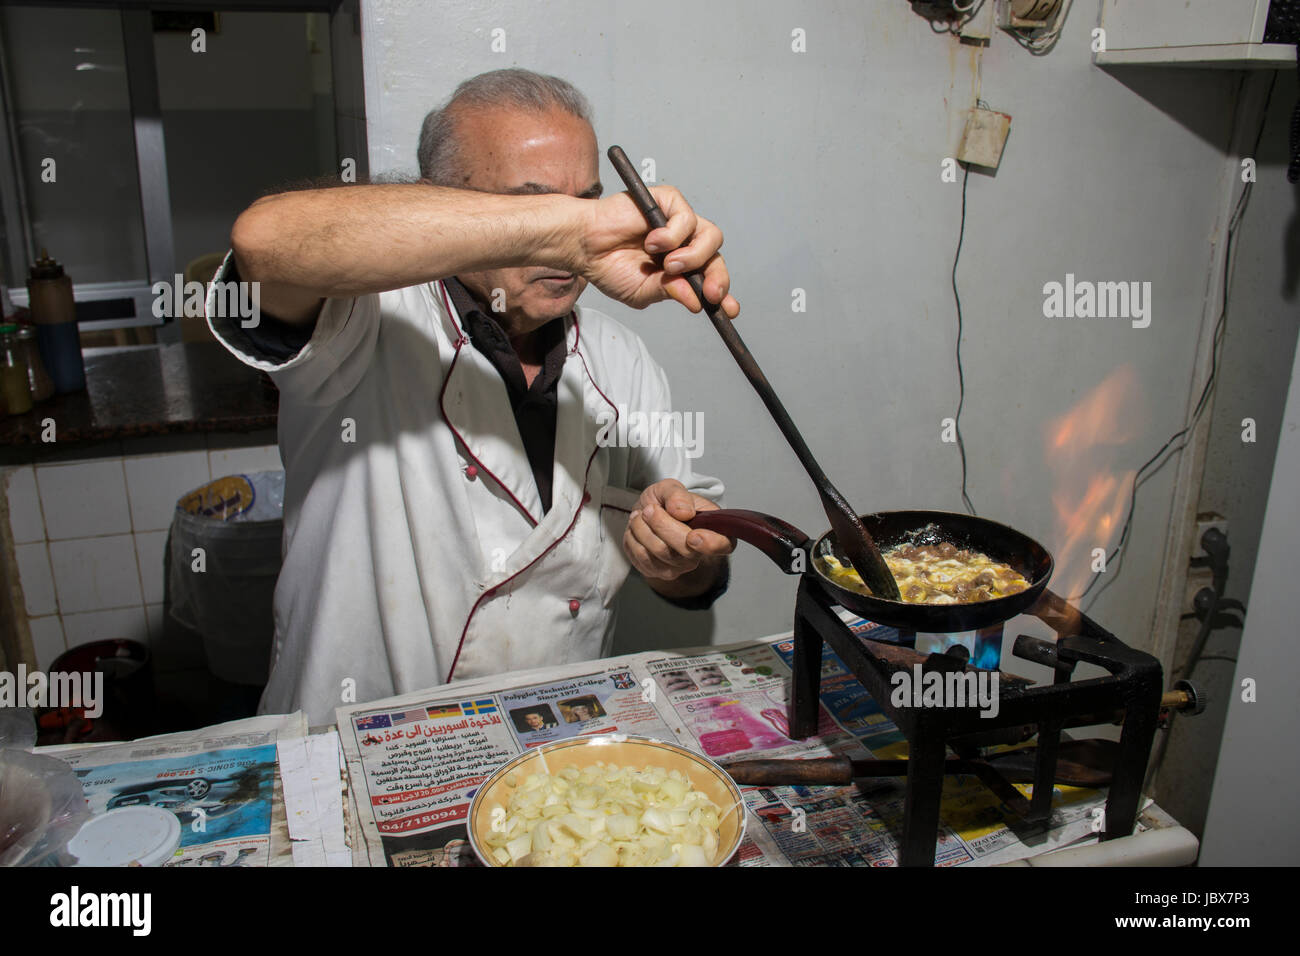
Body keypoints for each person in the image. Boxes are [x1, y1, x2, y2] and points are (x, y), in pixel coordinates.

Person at [208, 69, 739, 726]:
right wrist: (562, 227)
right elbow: (266, 242)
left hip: (556, 749)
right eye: (533, 206)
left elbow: (698, 580)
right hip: (356, 741)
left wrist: (675, 559)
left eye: (587, 205)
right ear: (453, 207)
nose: (573, 243)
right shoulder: (365, 320)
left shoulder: (620, 359)